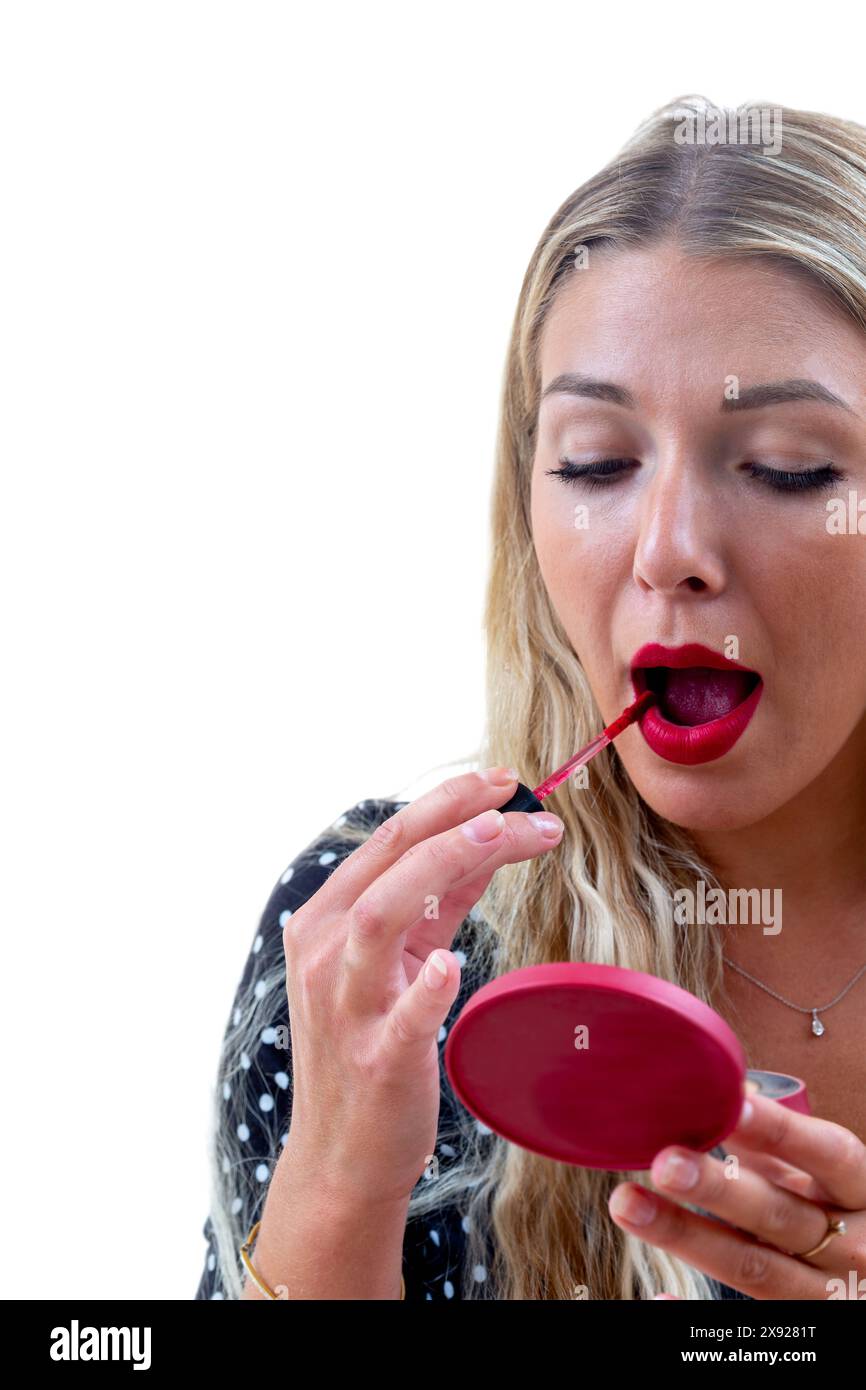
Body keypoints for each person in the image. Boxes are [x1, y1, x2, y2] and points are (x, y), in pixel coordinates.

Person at [196, 93, 866, 1300]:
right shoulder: (386, 952)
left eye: (788, 468)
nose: (666, 549)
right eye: (596, 464)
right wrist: (337, 1191)